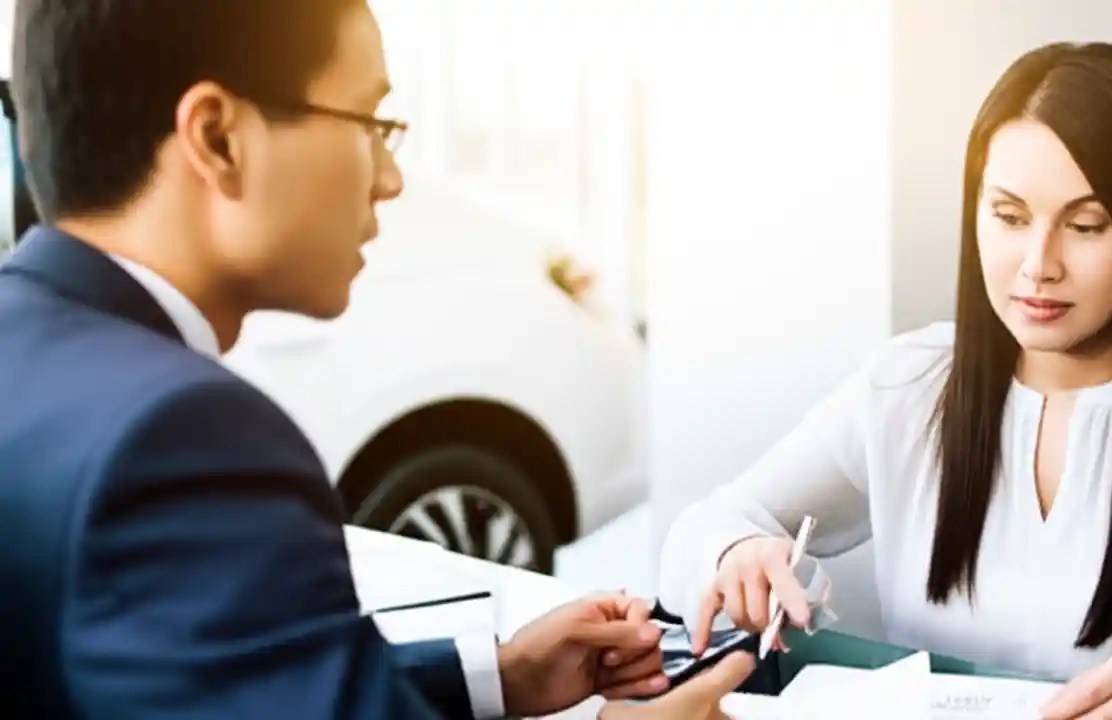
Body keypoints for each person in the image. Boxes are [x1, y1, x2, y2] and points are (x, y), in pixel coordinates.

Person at [0, 1, 752, 718]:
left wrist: (502, 673)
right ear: (219, 137)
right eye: (371, 125)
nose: (389, 181)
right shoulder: (184, 436)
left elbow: (226, 684)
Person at [659, 42, 1112, 720]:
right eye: (1010, 217)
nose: (1038, 265)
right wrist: (736, 551)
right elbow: (702, 530)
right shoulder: (910, 384)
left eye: (1085, 225)